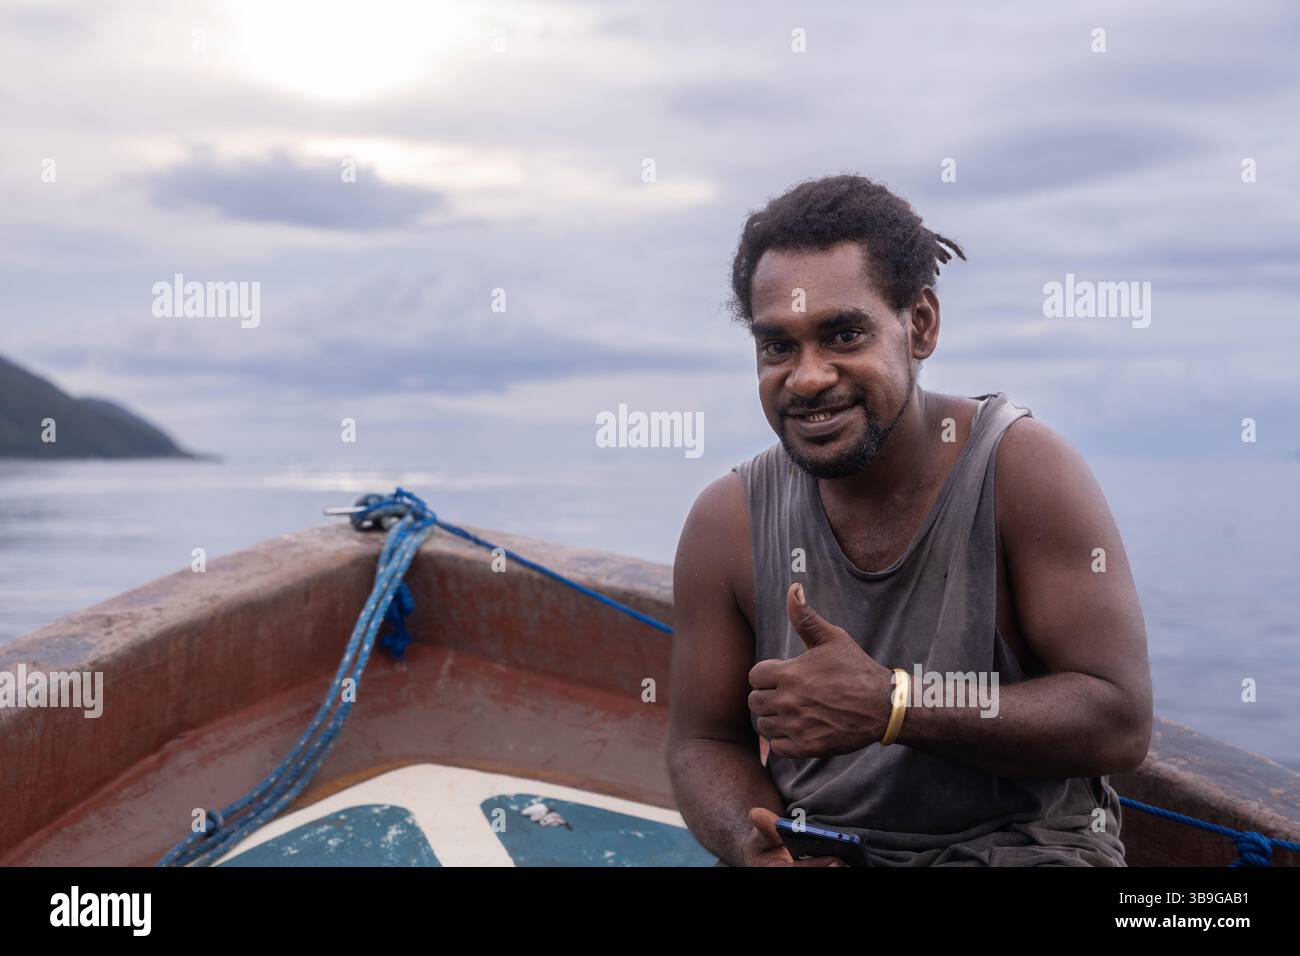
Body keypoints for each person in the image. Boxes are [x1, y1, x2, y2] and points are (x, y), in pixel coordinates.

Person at [667, 174, 1152, 866]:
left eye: (843, 334)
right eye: (778, 346)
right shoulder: (727, 521)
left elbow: (1119, 719)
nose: (806, 377)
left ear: (919, 325)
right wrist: (757, 845)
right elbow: (703, 743)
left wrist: (893, 705)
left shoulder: (1022, 471)